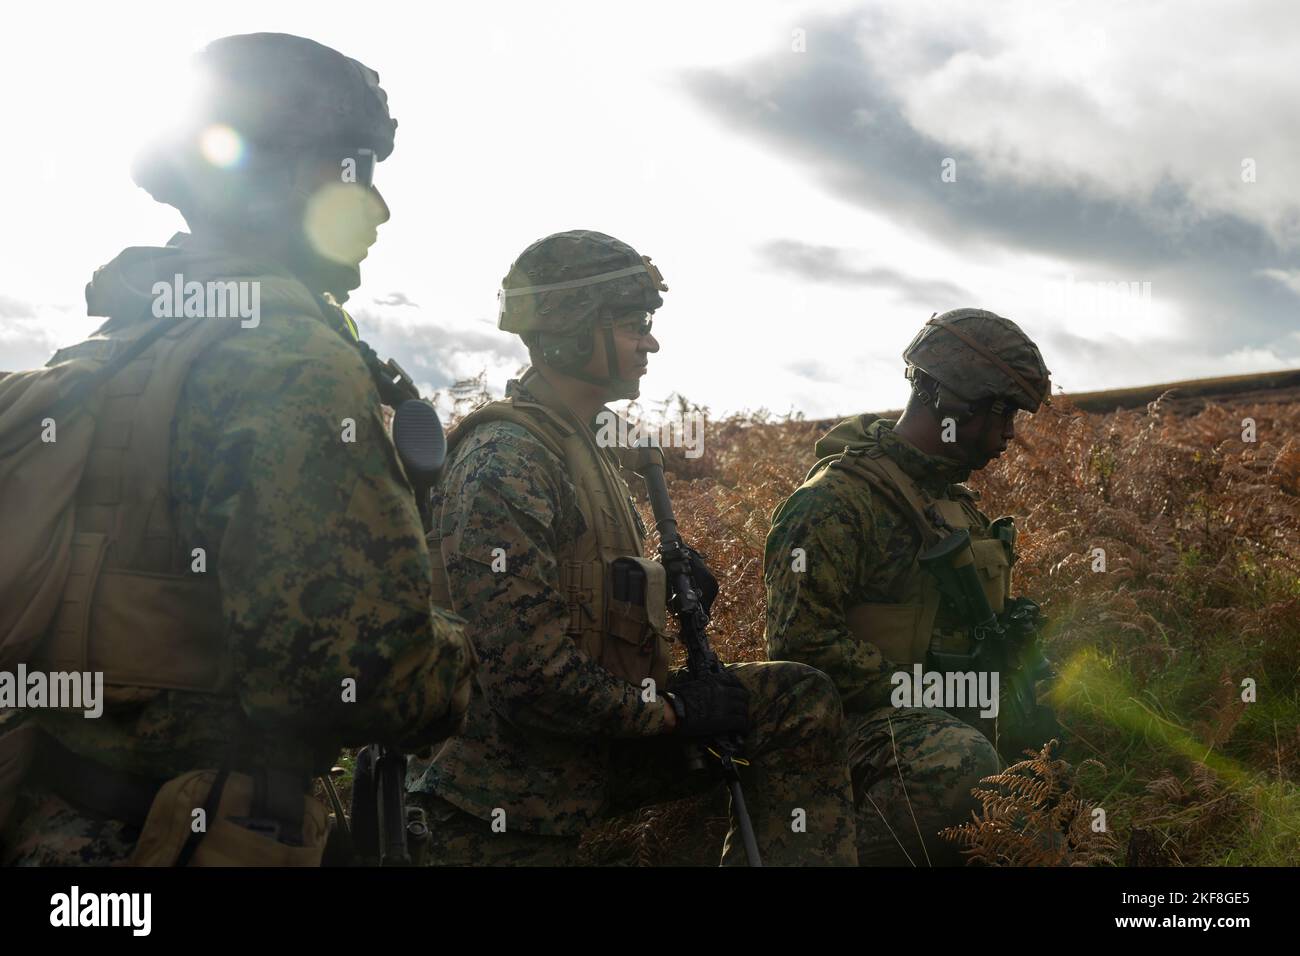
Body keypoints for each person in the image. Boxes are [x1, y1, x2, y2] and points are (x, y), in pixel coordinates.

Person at [0, 33, 474, 866]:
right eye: (356, 169)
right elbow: (353, 673)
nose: (380, 207)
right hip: (188, 837)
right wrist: (458, 652)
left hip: (59, 817)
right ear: (288, 177)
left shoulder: (131, 336)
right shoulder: (287, 359)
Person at [408, 229, 857, 865]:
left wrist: (658, 584)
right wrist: (673, 712)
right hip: (501, 791)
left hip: (586, 745)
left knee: (799, 702)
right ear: (570, 330)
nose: (650, 340)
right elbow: (528, 678)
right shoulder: (505, 461)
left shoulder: (580, 445)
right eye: (630, 324)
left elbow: (584, 593)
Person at [764, 308, 1056, 866]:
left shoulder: (952, 504)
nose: (1010, 435)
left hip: (937, 719)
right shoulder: (834, 502)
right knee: (958, 762)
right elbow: (799, 649)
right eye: (1004, 413)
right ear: (954, 400)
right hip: (848, 730)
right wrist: (933, 688)